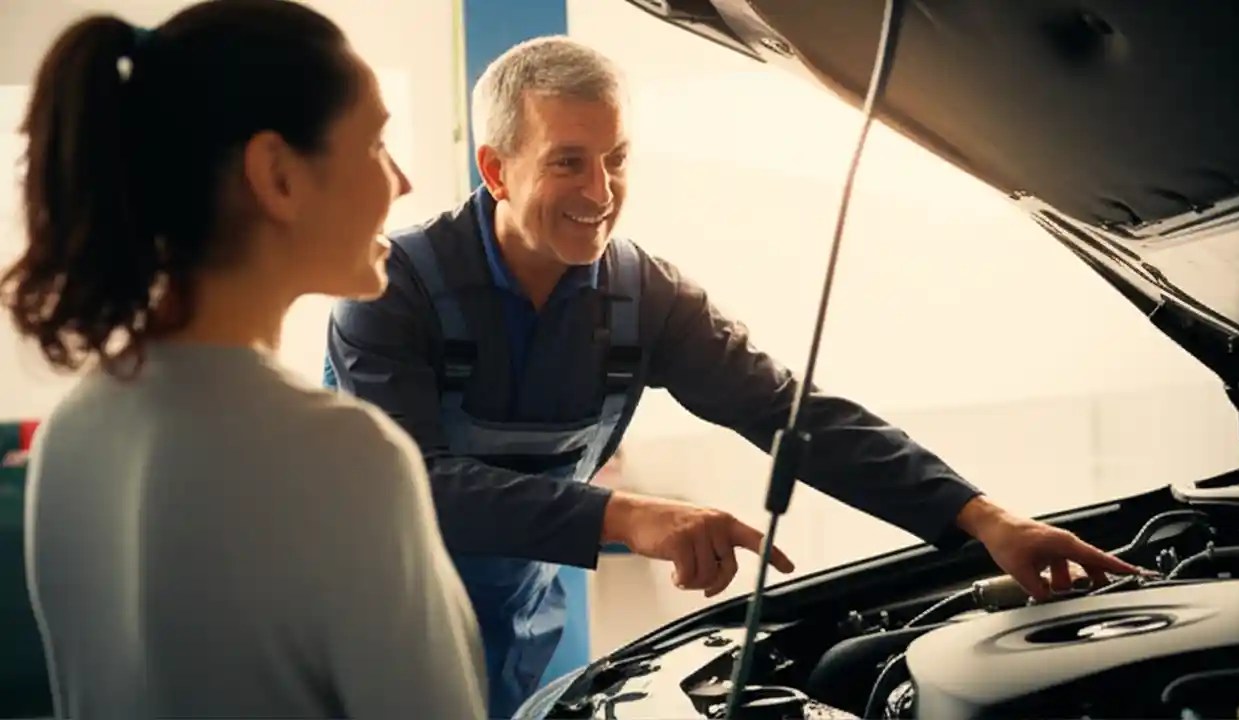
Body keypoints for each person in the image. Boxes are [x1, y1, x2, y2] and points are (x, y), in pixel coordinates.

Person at [323, 35, 1141, 716]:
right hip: (356, 621)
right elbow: (417, 484)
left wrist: (984, 521)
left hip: (512, 626)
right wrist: (628, 516)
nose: (601, 193)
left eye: (617, 158)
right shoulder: (390, 289)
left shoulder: (646, 297)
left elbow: (792, 413)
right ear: (497, 171)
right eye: (569, 162)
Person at [2, 1, 486, 717]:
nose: (402, 182)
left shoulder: (76, 427)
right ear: (278, 175)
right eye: (378, 143)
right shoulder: (345, 456)